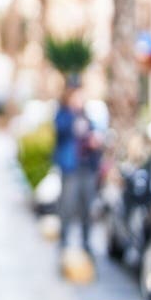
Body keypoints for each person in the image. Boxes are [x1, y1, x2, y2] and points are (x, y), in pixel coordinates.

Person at [53, 85, 101, 255]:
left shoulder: (87, 116)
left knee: (87, 206)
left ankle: (86, 242)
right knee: (68, 204)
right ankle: (64, 240)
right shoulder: (64, 114)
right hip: (71, 167)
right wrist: (73, 117)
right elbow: (61, 130)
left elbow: (93, 133)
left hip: (87, 167)